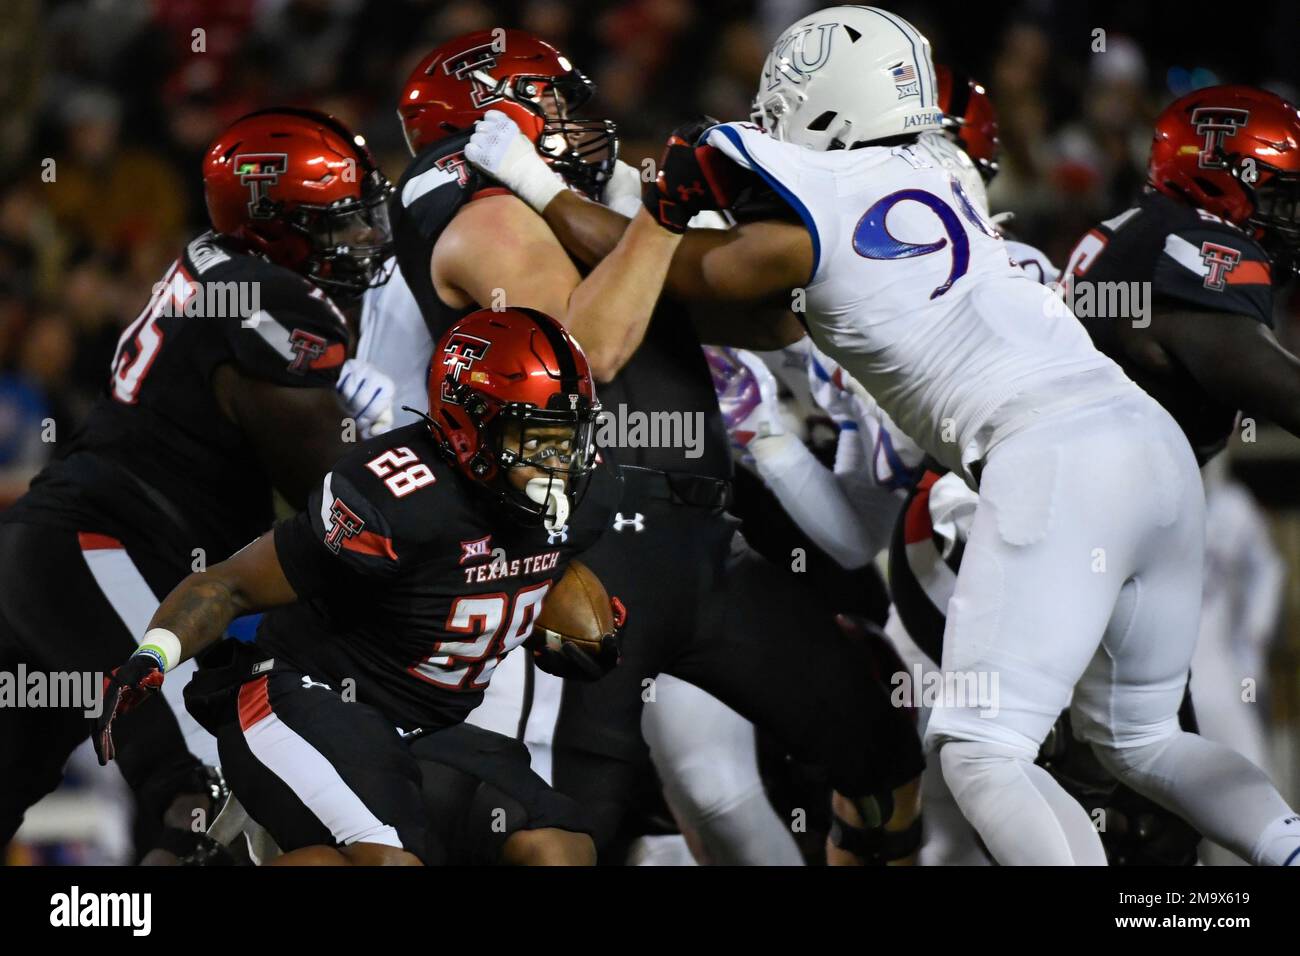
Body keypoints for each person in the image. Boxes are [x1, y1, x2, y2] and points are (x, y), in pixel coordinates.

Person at [472, 6, 1300, 865]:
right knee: (1144, 743)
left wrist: (543, 187)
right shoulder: (943, 170)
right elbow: (753, 302)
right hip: (1151, 448)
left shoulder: (802, 196)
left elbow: (668, 265)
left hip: (1049, 457)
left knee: (979, 750)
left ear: (823, 107)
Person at [0, 107, 393, 860]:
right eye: (341, 223)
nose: (362, 241)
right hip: (106, 551)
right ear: (275, 223)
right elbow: (329, 491)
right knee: (205, 793)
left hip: (56, 557)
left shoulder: (216, 265)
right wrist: (377, 433)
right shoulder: (269, 297)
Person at [93, 307, 622, 866]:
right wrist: (153, 654)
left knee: (560, 849)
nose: (559, 462)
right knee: (388, 861)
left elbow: (537, 571)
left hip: (424, 725)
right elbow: (230, 586)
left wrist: (560, 623)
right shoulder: (396, 497)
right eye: (535, 438)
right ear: (470, 425)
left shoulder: (583, 497)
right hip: (299, 695)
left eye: (567, 436)